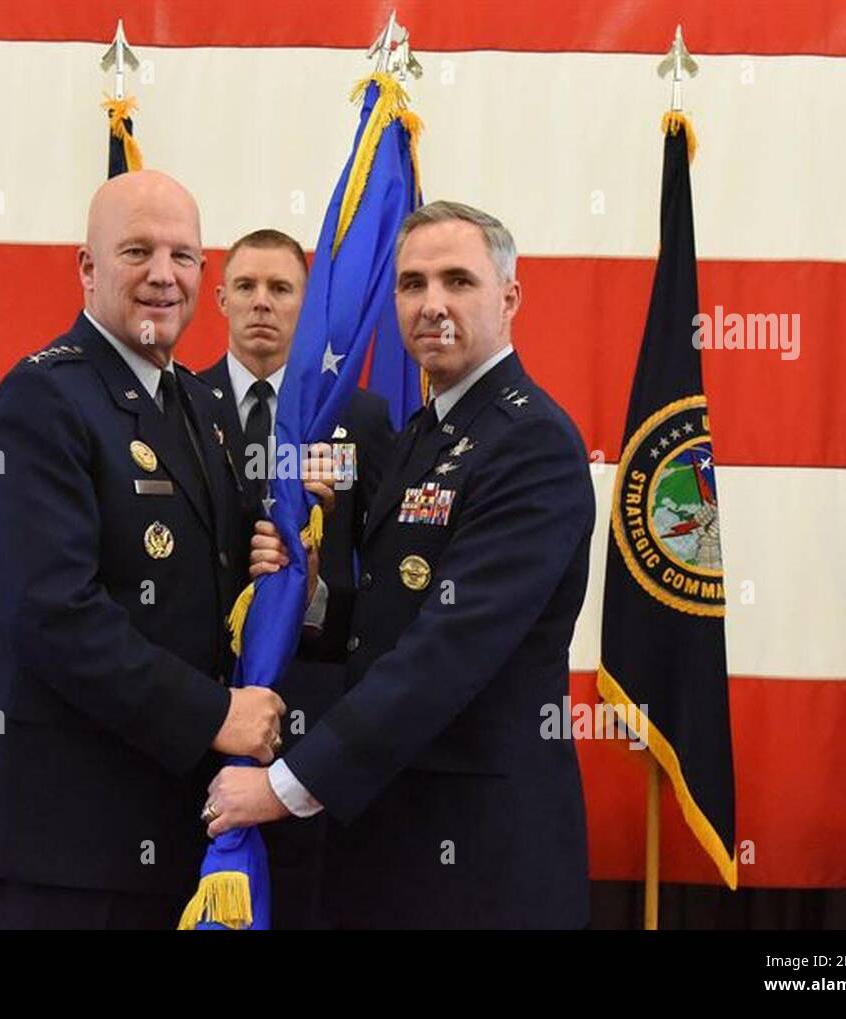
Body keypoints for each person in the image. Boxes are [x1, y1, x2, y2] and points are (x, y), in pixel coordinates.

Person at [207, 200, 596, 929]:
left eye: (458, 281)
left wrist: (286, 785)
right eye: (413, 284)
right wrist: (312, 594)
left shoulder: (530, 442)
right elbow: (391, 616)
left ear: (509, 297)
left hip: (480, 857)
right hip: (392, 837)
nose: (432, 304)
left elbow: (447, 649)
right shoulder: (425, 430)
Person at [0, 169, 286, 930]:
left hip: (161, 829)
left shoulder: (196, 404)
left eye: (184, 256)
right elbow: (51, 613)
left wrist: (291, 571)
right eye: (137, 251)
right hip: (53, 850)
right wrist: (213, 714)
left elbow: (219, 585)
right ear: (87, 269)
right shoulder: (41, 402)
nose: (163, 275)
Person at [199, 229, 394, 927]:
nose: (261, 304)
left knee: (309, 899)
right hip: (201, 701)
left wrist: (310, 594)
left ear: (306, 307)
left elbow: (386, 579)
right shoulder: (183, 407)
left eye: (281, 289)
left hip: (315, 704)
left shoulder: (359, 419)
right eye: (246, 287)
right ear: (218, 299)